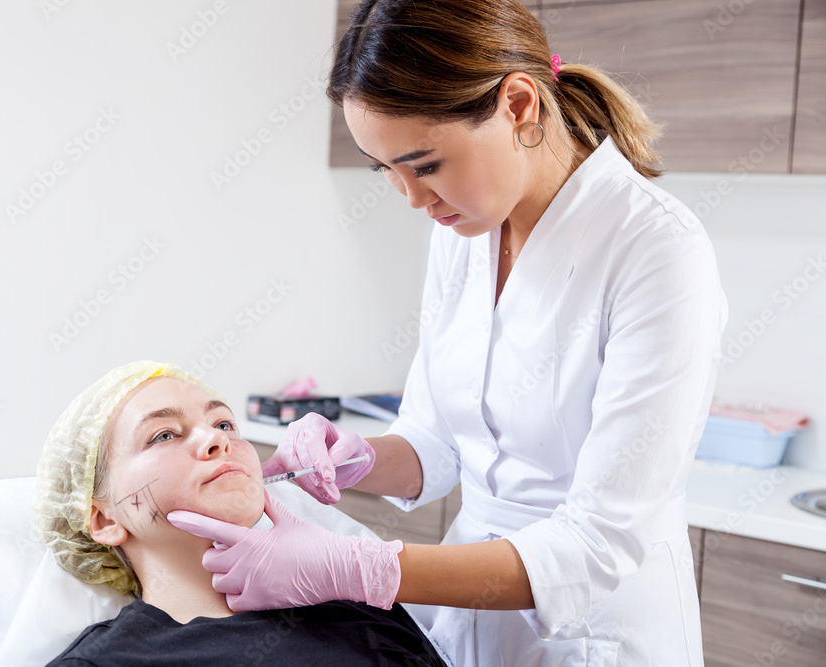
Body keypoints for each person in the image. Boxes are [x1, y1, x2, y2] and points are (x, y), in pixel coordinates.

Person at [165, 1, 728, 664]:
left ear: (518, 105)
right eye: (388, 171)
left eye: (425, 165)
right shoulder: (464, 229)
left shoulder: (656, 251)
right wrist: (360, 457)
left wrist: (361, 567)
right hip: (465, 624)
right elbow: (440, 442)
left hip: (597, 632)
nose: (411, 198)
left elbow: (597, 541)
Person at [33, 361, 447, 667]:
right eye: (163, 435)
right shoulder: (108, 662)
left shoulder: (355, 602)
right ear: (105, 520)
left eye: (225, 424)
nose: (216, 438)